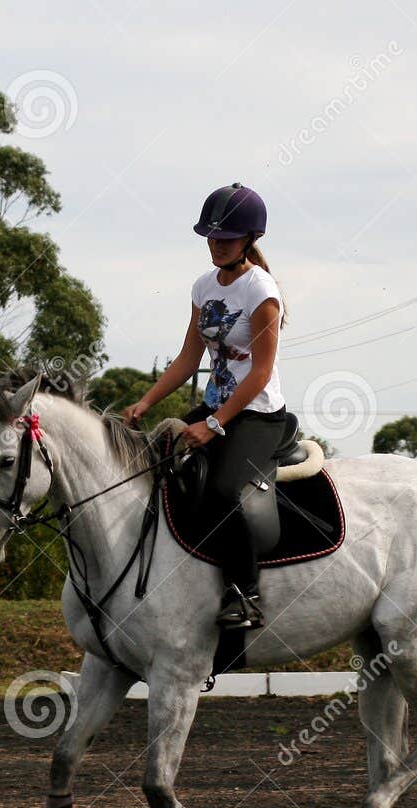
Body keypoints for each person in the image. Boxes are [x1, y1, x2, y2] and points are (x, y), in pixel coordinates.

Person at [124, 182, 288, 629]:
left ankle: (245, 593)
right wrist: (145, 402)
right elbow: (188, 359)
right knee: (155, 464)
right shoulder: (203, 286)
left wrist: (214, 424)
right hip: (217, 406)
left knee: (220, 491)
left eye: (227, 238)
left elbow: (259, 372)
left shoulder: (262, 290)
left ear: (249, 240)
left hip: (256, 413)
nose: (217, 246)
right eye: (211, 237)